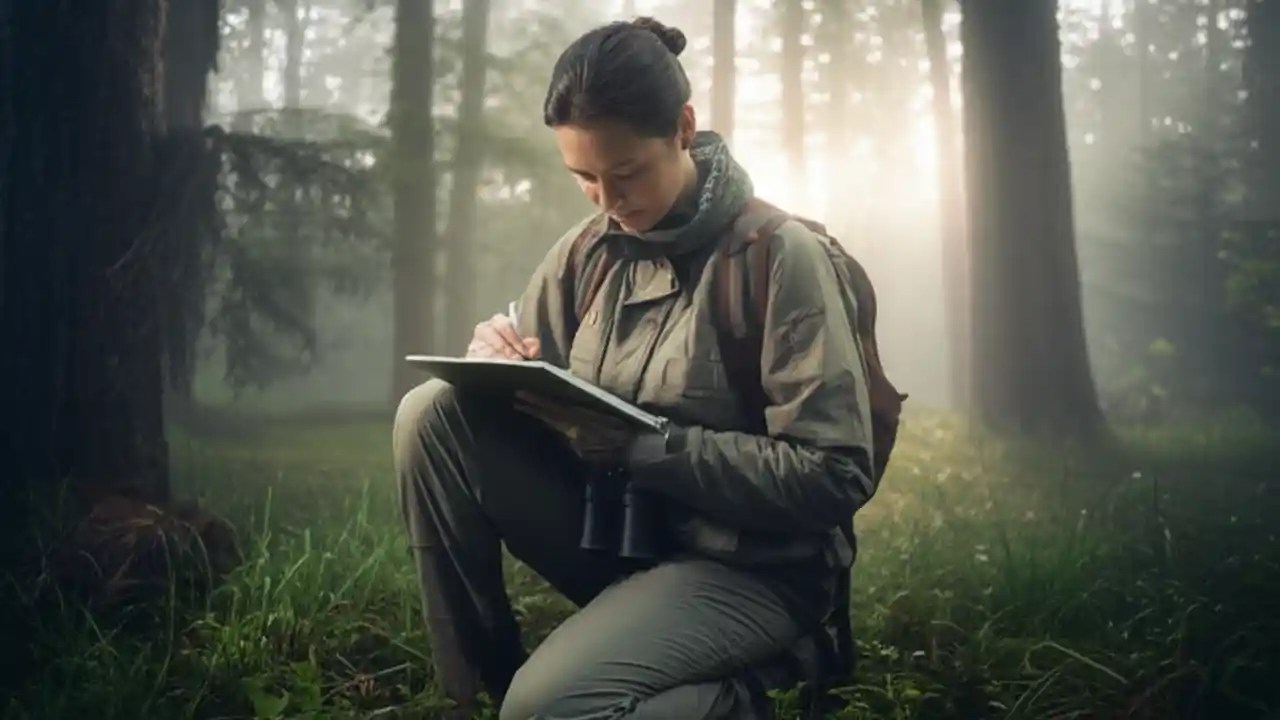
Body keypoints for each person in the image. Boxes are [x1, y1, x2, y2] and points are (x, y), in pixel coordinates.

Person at [393, 16, 878, 720]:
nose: (608, 201)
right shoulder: (586, 252)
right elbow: (530, 394)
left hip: (753, 571)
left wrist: (641, 448)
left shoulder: (779, 258)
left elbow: (835, 477)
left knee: (545, 709)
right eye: (584, 178)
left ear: (684, 128)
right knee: (431, 414)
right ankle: (474, 693)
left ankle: (776, 679)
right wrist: (492, 361)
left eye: (626, 173)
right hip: (619, 540)